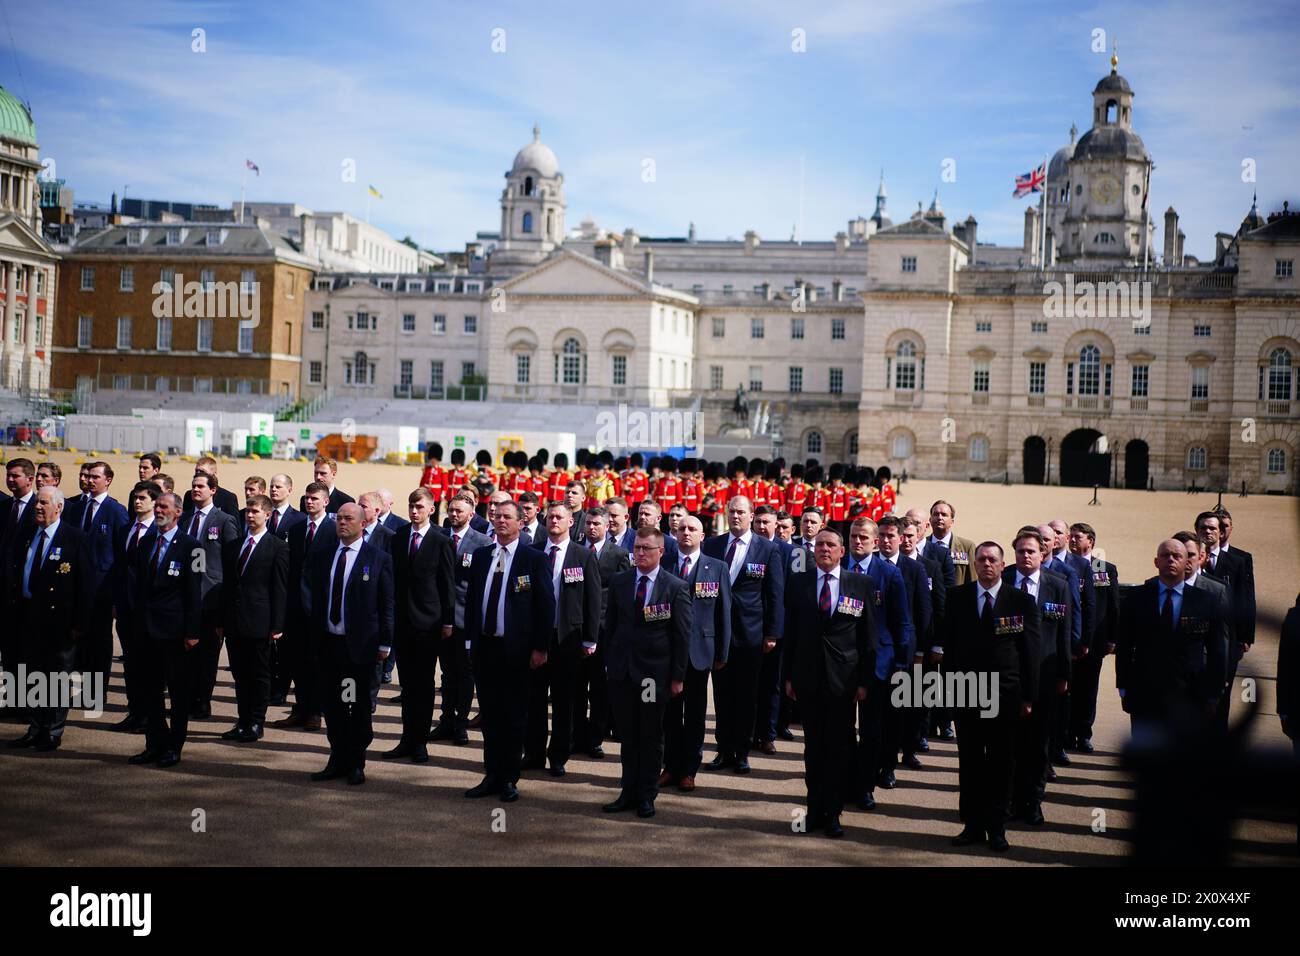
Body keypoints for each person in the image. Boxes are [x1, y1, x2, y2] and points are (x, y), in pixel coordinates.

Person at [946, 542, 1040, 853]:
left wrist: (1029, 696)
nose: (986, 564)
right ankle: (972, 825)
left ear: (1002, 565)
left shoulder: (1021, 601)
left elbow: (1030, 653)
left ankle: (997, 828)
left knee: (1002, 764)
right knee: (970, 762)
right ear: (974, 564)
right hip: (966, 693)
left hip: (1005, 696)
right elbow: (949, 649)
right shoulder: (957, 597)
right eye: (981, 559)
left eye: (992, 560)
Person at [784, 528, 875, 838]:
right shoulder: (799, 582)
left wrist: (864, 682)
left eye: (831, 545)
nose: (824, 549)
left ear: (841, 551)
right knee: (813, 749)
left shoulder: (860, 584)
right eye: (819, 544)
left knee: (837, 748)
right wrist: (788, 676)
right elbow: (791, 634)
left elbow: (868, 639)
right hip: (808, 678)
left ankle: (834, 812)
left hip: (844, 682)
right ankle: (815, 809)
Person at [463, 499, 555, 802]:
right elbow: (474, 601)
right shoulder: (481, 556)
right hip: (486, 647)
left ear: (520, 523)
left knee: (514, 716)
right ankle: (491, 774)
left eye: (507, 517)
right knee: (490, 715)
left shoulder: (533, 559)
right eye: (497, 516)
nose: (500, 521)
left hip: (517, 651)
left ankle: (508, 778)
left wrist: (540, 647)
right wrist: (470, 641)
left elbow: (545, 607)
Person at [600, 526, 692, 818]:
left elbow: (681, 636)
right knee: (628, 736)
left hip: (655, 675)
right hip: (623, 672)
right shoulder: (620, 581)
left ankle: (646, 795)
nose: (639, 553)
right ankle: (628, 791)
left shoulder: (675, 587)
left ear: (660, 552)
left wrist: (677, 677)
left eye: (646, 549)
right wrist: (610, 662)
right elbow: (610, 627)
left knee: (650, 736)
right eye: (637, 547)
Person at [308, 503, 394, 785]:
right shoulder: (323, 556)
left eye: (349, 519)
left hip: (360, 647)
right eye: (339, 518)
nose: (342, 523)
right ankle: (337, 758)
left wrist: (385, 643)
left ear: (362, 523)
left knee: (356, 707)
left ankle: (356, 762)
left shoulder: (377, 558)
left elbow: (386, 604)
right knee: (332, 706)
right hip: (329, 644)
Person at [6, 487, 94, 751]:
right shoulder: (26, 534)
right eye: (37, 503)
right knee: (32, 676)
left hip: (61, 623)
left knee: (57, 679)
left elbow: (86, 586)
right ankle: (35, 727)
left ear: (59, 507)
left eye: (44, 503)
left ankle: (53, 731)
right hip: (29, 618)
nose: (38, 507)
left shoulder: (75, 539)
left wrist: (79, 624)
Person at [702, 495, 785, 774]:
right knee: (722, 694)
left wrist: (772, 632)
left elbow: (774, 594)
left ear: (751, 515)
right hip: (717, 633)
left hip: (751, 633)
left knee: (747, 695)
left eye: (741, 512)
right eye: (731, 512)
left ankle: (742, 751)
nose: (735, 516)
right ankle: (723, 749)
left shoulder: (767, 549)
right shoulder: (712, 545)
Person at [1115, 538, 1227, 732]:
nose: (1171, 560)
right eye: (1165, 556)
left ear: (1187, 562)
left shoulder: (1204, 601)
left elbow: (1217, 650)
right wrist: (1123, 687)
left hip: (1190, 692)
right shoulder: (1137, 597)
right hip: (1145, 691)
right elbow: (1124, 646)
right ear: (1156, 562)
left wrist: (1213, 694)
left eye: (1177, 556)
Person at [523, 502, 601, 776]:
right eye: (550, 517)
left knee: (564, 700)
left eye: (560, 517)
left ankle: (558, 755)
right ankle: (532, 753)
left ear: (571, 522)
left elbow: (593, 599)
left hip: (568, 638)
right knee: (533, 699)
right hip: (536, 638)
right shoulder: (532, 552)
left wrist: (590, 639)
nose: (554, 521)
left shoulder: (583, 555)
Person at [842, 517, 912, 807]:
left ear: (875, 542)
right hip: (841, 662)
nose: (858, 541)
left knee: (872, 732)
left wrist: (900, 665)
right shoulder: (837, 566)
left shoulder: (889, 573)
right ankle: (844, 783)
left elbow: (901, 623)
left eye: (864, 538)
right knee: (842, 730)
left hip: (879, 664)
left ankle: (865, 786)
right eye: (854, 536)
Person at [1004, 527, 1071, 827]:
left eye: (1031, 551)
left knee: (1038, 745)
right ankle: (1007, 801)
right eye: (1020, 551)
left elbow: (1064, 634)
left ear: (1043, 555)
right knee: (1007, 743)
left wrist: (1064, 674)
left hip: (1044, 675)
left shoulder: (1058, 585)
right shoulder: (1003, 579)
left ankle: (1033, 802)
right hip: (1007, 675)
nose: (1025, 556)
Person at [129, 492, 201, 768]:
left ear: (178, 512)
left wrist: (193, 632)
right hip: (147, 631)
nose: (158, 510)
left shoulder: (193, 547)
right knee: (150, 691)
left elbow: (196, 593)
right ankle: (154, 744)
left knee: (179, 695)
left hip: (176, 634)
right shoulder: (147, 542)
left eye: (164, 506)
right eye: (156, 506)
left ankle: (174, 747)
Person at [384, 489, 455, 764]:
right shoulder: (399, 537)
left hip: (429, 624)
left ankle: (420, 743)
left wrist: (447, 621)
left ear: (431, 508)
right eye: (411, 506)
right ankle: (406, 739)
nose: (415, 511)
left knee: (424, 685)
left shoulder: (440, 540)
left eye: (420, 507)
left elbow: (447, 585)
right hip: (403, 623)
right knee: (408, 686)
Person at [662, 515, 731, 791]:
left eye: (692, 529)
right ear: (674, 533)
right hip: (666, 652)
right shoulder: (665, 563)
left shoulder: (717, 567)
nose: (686, 533)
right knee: (669, 714)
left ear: (703, 535)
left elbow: (723, 612)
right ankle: (670, 766)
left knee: (694, 714)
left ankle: (689, 769)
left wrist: (722, 652)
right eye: (681, 529)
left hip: (700, 653)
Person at [219, 495, 289, 743]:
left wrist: (277, 624)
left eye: (255, 512)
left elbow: (280, 589)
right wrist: (222, 620)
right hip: (235, 621)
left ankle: (257, 722)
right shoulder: (234, 546)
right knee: (240, 674)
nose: (249, 515)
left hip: (260, 622)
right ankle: (242, 721)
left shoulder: (277, 546)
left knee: (259, 675)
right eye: (248, 511)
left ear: (267, 515)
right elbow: (227, 586)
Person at [64, 461, 130, 704]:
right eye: (88, 476)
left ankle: (96, 693)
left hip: (102, 591)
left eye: (95, 477)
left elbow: (122, 555)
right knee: (78, 640)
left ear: (108, 480)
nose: (90, 481)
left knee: (99, 643)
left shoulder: (116, 511)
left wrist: (116, 595)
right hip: (77, 588)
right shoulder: (76, 508)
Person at [429, 493, 491, 744]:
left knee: (465, 673)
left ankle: (461, 721)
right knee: (446, 672)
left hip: (466, 619)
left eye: (459, 511)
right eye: (451, 510)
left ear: (471, 513)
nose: (454, 514)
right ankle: (446, 718)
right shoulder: (438, 536)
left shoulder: (482, 542)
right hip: (440, 617)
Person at [275, 482, 335, 730]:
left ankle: (315, 711)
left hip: (320, 608)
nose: (309, 502)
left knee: (316, 663)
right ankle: (299, 708)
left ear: (325, 502)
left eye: (314, 498)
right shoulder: (296, 529)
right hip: (295, 606)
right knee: (296, 661)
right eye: (307, 498)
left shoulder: (333, 530)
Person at [573, 506, 630, 758]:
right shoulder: (574, 550)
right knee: (574, 686)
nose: (592, 527)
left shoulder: (618, 554)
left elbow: (623, 596)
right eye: (589, 524)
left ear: (607, 526)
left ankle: (595, 738)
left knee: (599, 688)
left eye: (597, 523)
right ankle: (576, 735)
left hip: (604, 629)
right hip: (575, 626)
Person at [876, 515, 931, 772]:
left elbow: (923, 612)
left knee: (903, 709)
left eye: (891, 536)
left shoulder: (914, 569)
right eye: (882, 536)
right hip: (874, 651)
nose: (886, 540)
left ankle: (903, 755)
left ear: (902, 538)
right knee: (876, 714)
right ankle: (878, 764)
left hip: (904, 651)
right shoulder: (870, 565)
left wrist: (920, 651)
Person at [186, 472, 240, 719]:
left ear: (213, 490)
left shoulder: (224, 520)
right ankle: (186, 696)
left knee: (207, 653)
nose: (196, 490)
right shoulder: (185, 519)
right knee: (186, 651)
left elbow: (232, 563)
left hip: (212, 597)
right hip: (186, 595)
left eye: (201, 486)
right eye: (193, 486)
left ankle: (203, 700)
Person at [1196, 511, 1255, 728]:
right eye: (1203, 528)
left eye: (1213, 528)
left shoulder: (1238, 561)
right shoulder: (1190, 557)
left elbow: (1246, 599)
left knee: (1221, 694)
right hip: (1195, 636)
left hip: (1227, 637)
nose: (1208, 532)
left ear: (1222, 533)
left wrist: (1245, 637)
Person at [111, 481, 160, 733]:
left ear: (154, 502)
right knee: (130, 664)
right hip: (126, 608)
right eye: (135, 498)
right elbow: (119, 569)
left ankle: (148, 717)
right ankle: (134, 712)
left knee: (148, 667)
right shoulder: (126, 529)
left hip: (150, 610)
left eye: (142, 498)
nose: (137, 502)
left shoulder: (162, 533)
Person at [1067, 522, 1118, 752]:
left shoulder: (1103, 568)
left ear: (1091, 541)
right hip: (1070, 639)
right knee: (1068, 688)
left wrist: (1112, 638)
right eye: (1071, 536)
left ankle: (1084, 733)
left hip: (1095, 638)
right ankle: (1066, 734)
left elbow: (1113, 605)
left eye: (1078, 536)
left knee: (1088, 689)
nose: (1073, 540)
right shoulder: (1065, 565)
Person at [923, 500, 974, 587]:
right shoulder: (921, 545)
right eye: (935, 514)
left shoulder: (967, 547)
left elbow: (973, 580)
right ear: (930, 520)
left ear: (952, 521)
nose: (939, 517)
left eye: (944, 514)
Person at [266, 474, 304, 540]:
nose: (273, 489)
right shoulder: (262, 514)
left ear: (289, 490)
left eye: (278, 487)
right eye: (271, 486)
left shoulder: (300, 519)